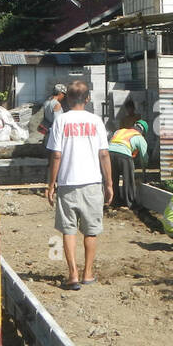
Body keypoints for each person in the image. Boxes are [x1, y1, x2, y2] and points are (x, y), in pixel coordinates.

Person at [45, 80, 112, 290]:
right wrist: (109, 183)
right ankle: (88, 273)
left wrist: (51, 184)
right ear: (88, 99)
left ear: (68, 99)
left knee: (69, 230)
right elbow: (104, 154)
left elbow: (56, 155)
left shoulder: (61, 121)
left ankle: (73, 274)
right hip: (92, 182)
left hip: (67, 183)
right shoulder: (96, 121)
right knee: (91, 231)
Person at [107, 119, 149, 209]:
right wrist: (144, 172)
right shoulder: (139, 137)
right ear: (143, 131)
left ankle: (114, 201)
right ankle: (129, 203)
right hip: (124, 155)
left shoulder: (119, 131)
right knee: (128, 179)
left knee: (113, 178)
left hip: (109, 154)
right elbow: (144, 158)